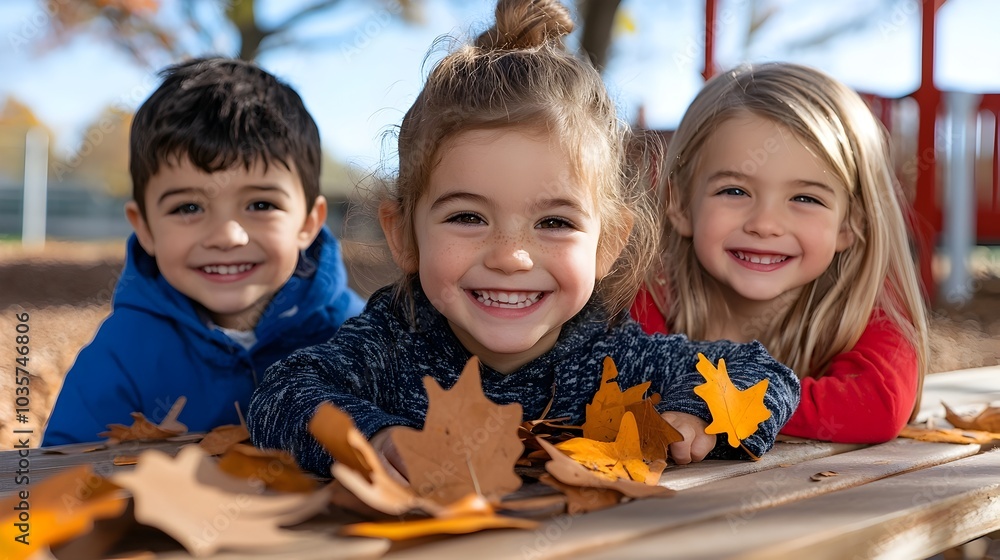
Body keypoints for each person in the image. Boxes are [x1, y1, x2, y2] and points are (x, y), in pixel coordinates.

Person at [247, 0, 799, 478]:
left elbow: (762, 373)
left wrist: (697, 412)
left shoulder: (611, 354)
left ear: (607, 245)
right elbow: (282, 394)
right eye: (467, 217)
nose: (511, 257)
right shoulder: (393, 342)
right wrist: (376, 438)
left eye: (554, 223)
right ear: (403, 236)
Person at [42, 57, 365, 446]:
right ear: (144, 227)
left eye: (260, 205)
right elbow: (60, 483)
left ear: (309, 223)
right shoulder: (123, 356)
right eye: (188, 208)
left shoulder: (356, 336)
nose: (227, 236)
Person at [631, 62, 929, 444]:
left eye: (805, 198)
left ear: (849, 224)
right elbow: (629, 384)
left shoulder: (865, 313)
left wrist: (728, 407)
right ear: (681, 204)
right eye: (734, 191)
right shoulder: (648, 298)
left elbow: (877, 406)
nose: (765, 223)